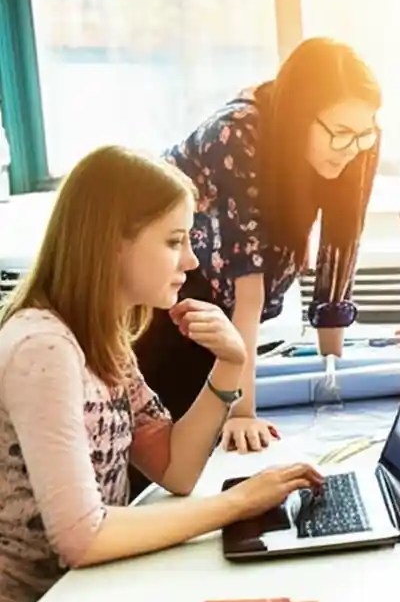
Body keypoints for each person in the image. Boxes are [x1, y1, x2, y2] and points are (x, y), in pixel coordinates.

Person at [0, 147, 323, 602]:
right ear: (113, 243)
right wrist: (236, 505)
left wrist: (231, 364)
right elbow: (82, 536)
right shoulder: (43, 348)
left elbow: (176, 468)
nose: (191, 260)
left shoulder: (103, 340)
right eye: (175, 241)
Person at [136, 38, 382, 455]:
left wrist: (332, 372)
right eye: (340, 134)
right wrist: (242, 412)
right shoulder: (237, 133)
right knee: (175, 447)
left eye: (364, 134)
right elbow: (248, 287)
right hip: (163, 307)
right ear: (301, 115)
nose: (353, 148)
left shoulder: (357, 138)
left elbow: (340, 245)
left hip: (222, 311)